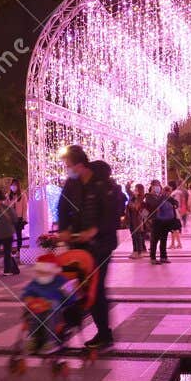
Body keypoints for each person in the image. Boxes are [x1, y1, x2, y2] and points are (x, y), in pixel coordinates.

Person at [56, 147, 120, 352]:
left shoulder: (102, 184)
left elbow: (112, 214)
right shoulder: (72, 184)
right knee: (78, 287)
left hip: (101, 246)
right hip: (78, 246)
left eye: (69, 166)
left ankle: (104, 334)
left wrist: (95, 230)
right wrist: (64, 229)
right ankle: (70, 325)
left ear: (80, 165)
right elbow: (62, 208)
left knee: (96, 288)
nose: (67, 170)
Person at [146, 180, 176, 263]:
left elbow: (172, 202)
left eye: (158, 185)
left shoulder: (161, 195)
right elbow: (155, 205)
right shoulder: (149, 196)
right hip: (155, 220)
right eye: (155, 185)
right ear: (151, 186)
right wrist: (162, 196)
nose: (157, 187)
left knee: (164, 239)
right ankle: (153, 258)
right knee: (154, 240)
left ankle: (163, 256)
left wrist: (172, 199)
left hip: (165, 220)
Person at [125, 182, 148, 255]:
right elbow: (128, 190)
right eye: (135, 188)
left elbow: (137, 208)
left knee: (137, 235)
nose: (135, 190)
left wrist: (133, 205)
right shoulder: (132, 196)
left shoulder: (141, 197)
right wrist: (128, 184)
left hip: (138, 219)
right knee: (133, 235)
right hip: (131, 218)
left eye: (136, 189)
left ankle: (139, 251)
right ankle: (135, 250)